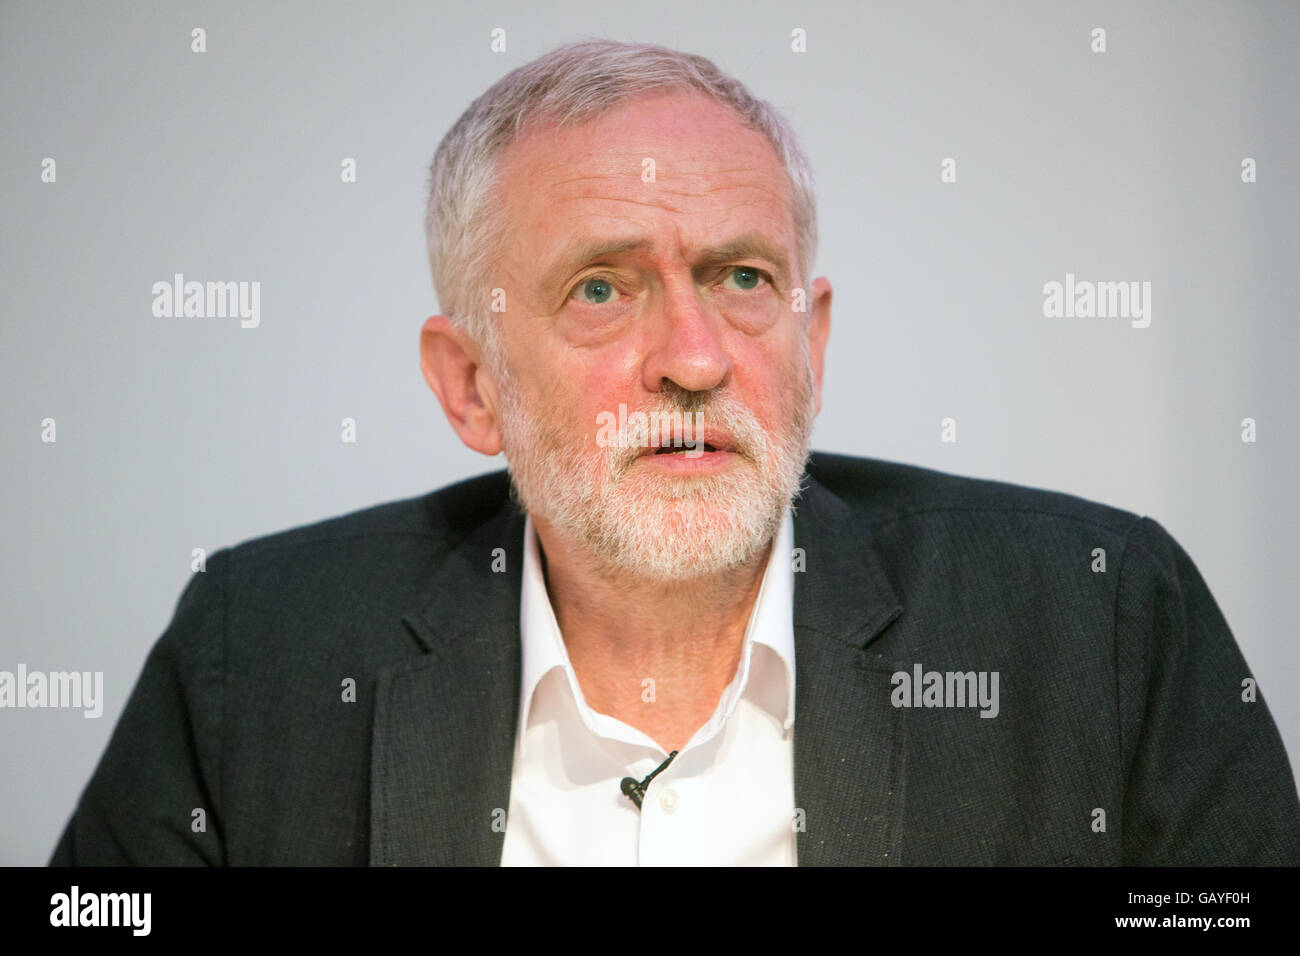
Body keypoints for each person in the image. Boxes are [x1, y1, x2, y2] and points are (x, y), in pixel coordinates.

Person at [50, 39, 1299, 866]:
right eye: (601, 289)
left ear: (810, 342)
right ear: (472, 384)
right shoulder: (258, 649)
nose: (693, 355)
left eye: (740, 277)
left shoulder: (1098, 614)